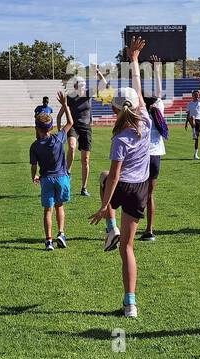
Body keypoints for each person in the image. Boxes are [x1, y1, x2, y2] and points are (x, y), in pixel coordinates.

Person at [89, 36, 149, 318]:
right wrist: (135, 60)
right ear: (136, 106)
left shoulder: (119, 138)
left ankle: (110, 227)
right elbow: (137, 87)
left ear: (115, 110)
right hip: (140, 190)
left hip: (123, 186)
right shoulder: (146, 121)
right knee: (128, 248)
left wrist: (105, 207)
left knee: (102, 176)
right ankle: (130, 304)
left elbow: (113, 176)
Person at [31, 90, 73, 250]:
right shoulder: (58, 138)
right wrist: (65, 105)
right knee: (59, 206)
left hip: (46, 179)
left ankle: (49, 240)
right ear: (50, 127)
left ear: (37, 128)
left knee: (47, 210)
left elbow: (34, 166)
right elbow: (70, 123)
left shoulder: (34, 146)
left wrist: (34, 176)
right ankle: (61, 233)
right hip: (62, 177)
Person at [141, 59, 169, 241]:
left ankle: (127, 223)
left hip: (142, 155)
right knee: (150, 194)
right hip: (156, 155)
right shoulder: (159, 108)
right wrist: (157, 69)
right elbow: (159, 93)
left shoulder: (141, 111)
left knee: (135, 191)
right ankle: (149, 230)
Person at [62, 76, 94, 196]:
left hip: (86, 127)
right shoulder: (70, 97)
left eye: (83, 85)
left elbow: (104, 84)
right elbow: (61, 113)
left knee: (85, 159)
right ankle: (68, 171)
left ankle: (84, 188)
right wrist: (61, 128)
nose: (82, 88)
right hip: (73, 126)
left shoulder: (87, 94)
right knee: (71, 146)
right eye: (79, 85)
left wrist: (99, 74)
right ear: (75, 86)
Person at [184, 76, 200, 160]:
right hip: (192, 119)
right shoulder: (189, 104)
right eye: (195, 95)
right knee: (192, 117)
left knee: (197, 138)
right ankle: (193, 132)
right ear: (192, 95)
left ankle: (195, 154)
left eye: (198, 95)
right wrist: (186, 123)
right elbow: (188, 114)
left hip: (199, 120)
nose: (197, 96)